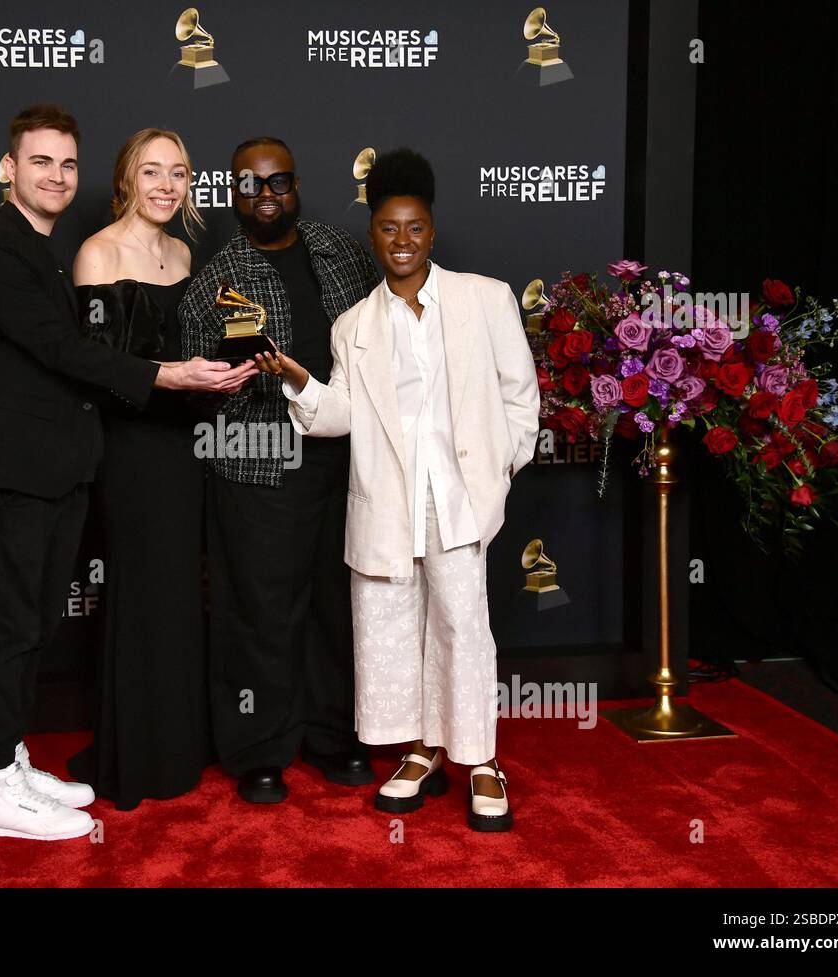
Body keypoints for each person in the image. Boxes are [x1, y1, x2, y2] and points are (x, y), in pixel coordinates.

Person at [0, 104, 256, 841]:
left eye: (65, 164)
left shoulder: (36, 249)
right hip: (14, 468)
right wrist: (168, 375)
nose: (56, 176)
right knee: (8, 624)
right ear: (9, 168)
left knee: (31, 622)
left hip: (55, 467)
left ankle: (9, 760)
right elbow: (65, 350)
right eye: (40, 162)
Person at [256, 148, 539, 831]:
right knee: (391, 631)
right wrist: (299, 381)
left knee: (461, 627)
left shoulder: (485, 297)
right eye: (388, 228)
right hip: (386, 505)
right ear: (373, 236)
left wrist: (497, 474)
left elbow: (519, 397)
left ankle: (481, 760)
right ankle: (422, 749)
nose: (403, 240)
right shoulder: (354, 326)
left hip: (459, 501)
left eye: (414, 227)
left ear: (432, 232)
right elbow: (344, 414)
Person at [179, 136, 381, 804]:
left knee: (337, 602)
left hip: (346, 457)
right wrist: (226, 383)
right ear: (232, 194)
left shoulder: (341, 250)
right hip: (257, 467)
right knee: (260, 610)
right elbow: (194, 388)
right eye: (250, 185)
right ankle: (258, 748)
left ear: (296, 186)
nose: (267, 197)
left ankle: (335, 734)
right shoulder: (215, 280)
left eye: (279, 182)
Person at [66, 128, 227, 809]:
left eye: (180, 173)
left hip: (185, 445)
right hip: (129, 447)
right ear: (127, 178)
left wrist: (220, 373)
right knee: (137, 591)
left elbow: (188, 352)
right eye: (152, 171)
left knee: (178, 594)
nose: (167, 185)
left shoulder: (185, 251)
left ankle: (176, 744)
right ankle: (134, 755)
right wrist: (174, 375)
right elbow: (99, 369)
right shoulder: (97, 253)